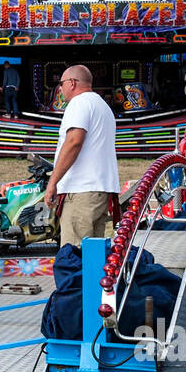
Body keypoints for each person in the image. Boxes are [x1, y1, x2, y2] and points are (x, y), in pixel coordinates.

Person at [44, 65, 119, 250]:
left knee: (74, 256)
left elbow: (73, 142)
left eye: (61, 84)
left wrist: (53, 182)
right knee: (93, 256)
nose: (59, 89)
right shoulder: (102, 106)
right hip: (100, 190)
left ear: (72, 83)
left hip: (81, 191)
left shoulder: (78, 103)